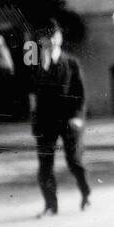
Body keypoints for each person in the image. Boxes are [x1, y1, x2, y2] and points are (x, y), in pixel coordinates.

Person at [29, 23, 90, 216]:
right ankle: (50, 205)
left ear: (60, 38)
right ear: (41, 41)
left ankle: (85, 193)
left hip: (69, 120)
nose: (51, 41)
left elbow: (80, 94)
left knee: (74, 161)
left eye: (54, 36)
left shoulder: (71, 63)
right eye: (46, 37)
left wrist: (77, 117)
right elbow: (30, 90)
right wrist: (43, 65)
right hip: (45, 122)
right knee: (45, 167)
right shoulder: (35, 63)